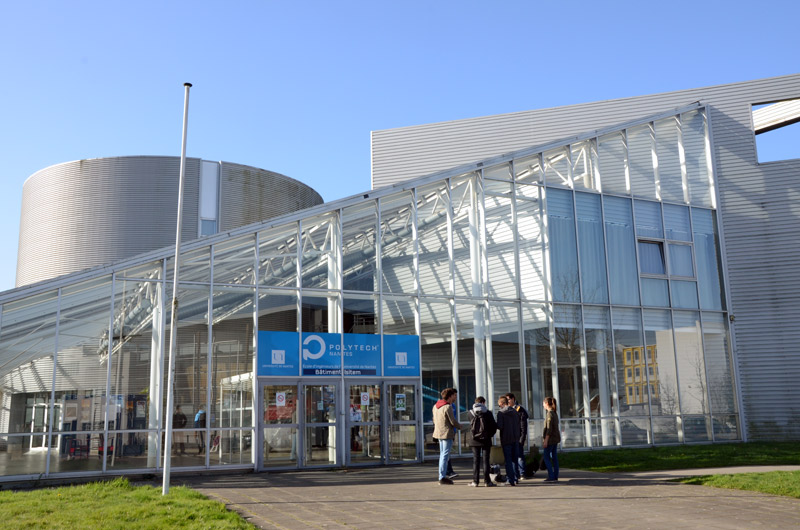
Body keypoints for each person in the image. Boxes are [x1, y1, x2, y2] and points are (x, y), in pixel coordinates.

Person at [467, 396, 497, 487]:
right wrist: (489, 435)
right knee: (486, 461)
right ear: (483, 402)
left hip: (474, 440)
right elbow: (493, 426)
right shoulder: (488, 413)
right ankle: (487, 482)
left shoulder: (470, 413)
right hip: (486, 440)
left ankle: (475, 481)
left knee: (476, 460)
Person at [433, 387, 461, 485]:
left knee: (443, 455)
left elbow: (434, 419)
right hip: (446, 433)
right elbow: (452, 421)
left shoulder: (436, 406)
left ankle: (442, 475)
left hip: (439, 433)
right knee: (445, 456)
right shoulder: (448, 407)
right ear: (449, 396)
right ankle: (442, 477)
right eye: (454, 395)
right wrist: (461, 426)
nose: (455, 397)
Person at [496, 396, 521, 486]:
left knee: (508, 460)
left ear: (502, 404)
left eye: (499, 405)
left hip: (506, 439)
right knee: (515, 459)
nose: (499, 407)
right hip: (515, 438)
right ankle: (515, 478)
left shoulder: (501, 413)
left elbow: (500, 426)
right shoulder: (515, 411)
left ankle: (510, 479)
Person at [505, 393, 529, 479]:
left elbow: (523, 426)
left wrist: (522, 439)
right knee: (512, 457)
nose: (507, 402)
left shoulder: (520, 410)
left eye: (508, 400)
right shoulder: (507, 410)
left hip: (518, 437)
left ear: (513, 399)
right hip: (510, 437)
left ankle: (522, 473)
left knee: (519, 456)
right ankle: (515, 473)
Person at [542, 396, 561, 483]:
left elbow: (549, 429)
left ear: (546, 403)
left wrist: (546, 440)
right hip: (555, 439)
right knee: (554, 457)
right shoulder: (554, 413)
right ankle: (555, 475)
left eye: (543, 403)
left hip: (551, 439)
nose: (543, 405)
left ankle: (551, 476)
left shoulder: (549, 414)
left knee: (546, 457)